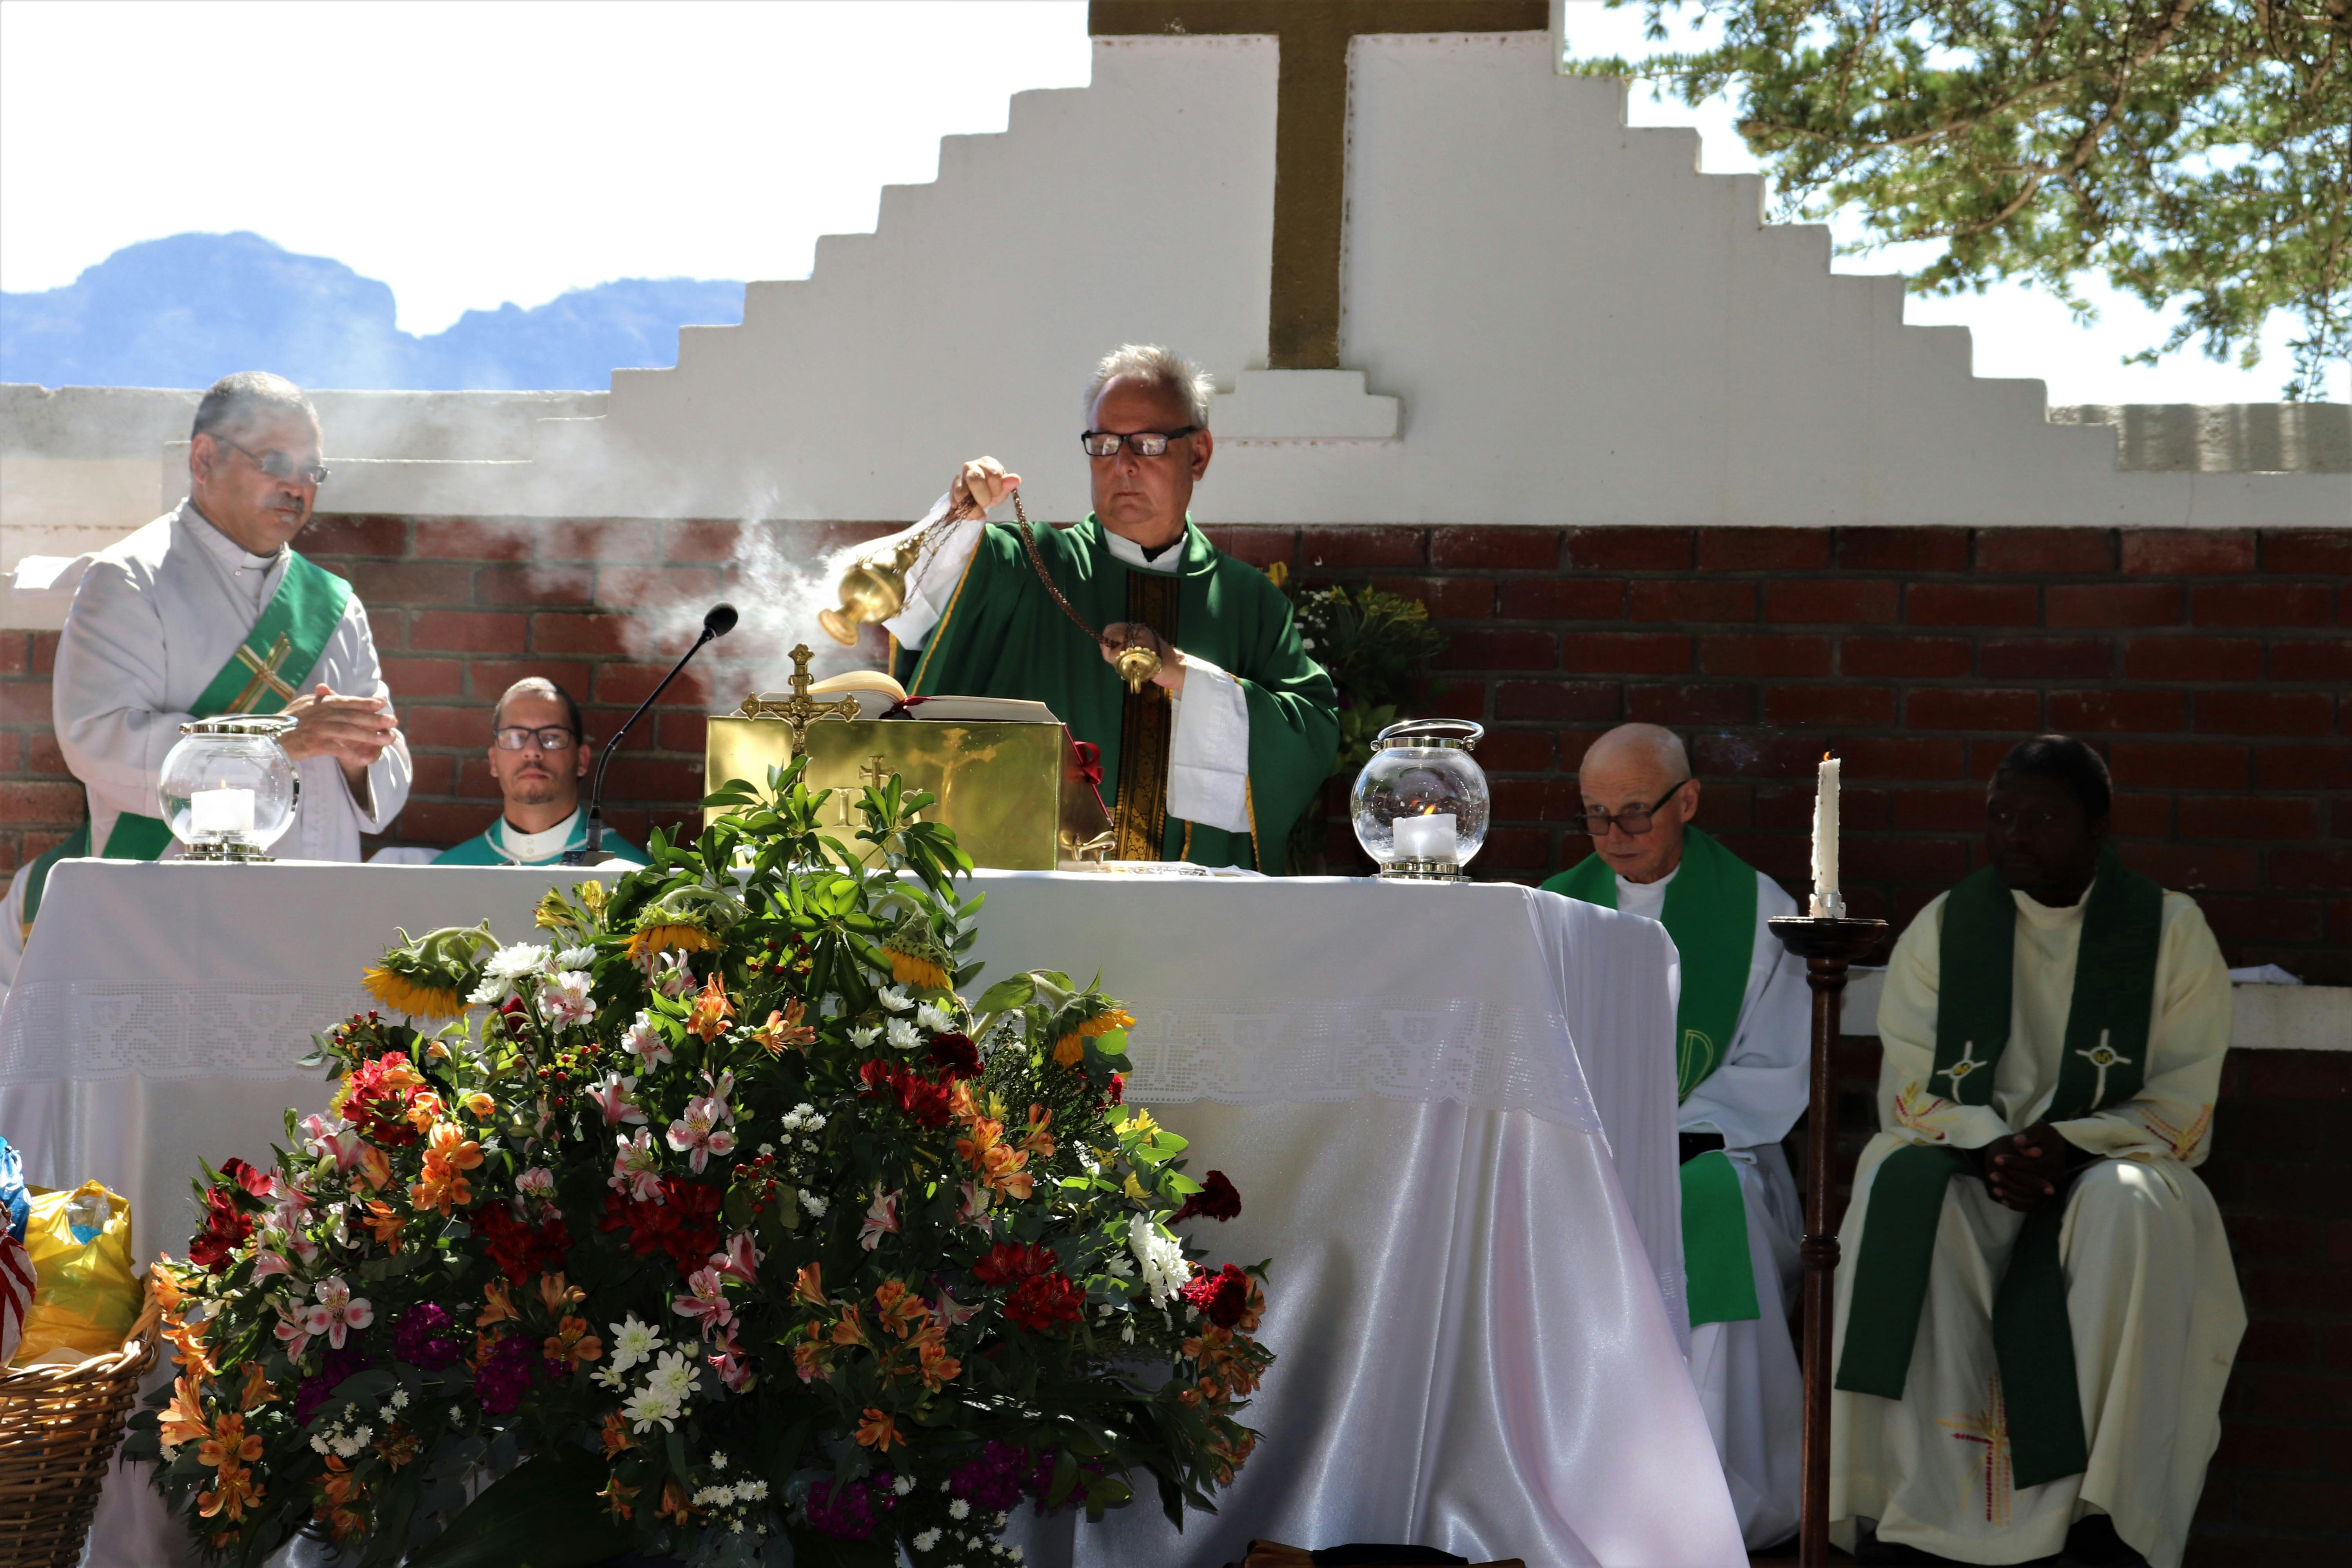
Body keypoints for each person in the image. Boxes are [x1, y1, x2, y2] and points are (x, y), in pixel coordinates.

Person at [1831, 736, 2241, 1568]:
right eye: (2001, 815)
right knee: (1896, 1181)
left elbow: (2182, 1101)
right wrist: (1992, 1147)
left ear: (2098, 830)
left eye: (2042, 818)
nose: (2014, 833)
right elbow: (1911, 1087)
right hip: (1976, 1166)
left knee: (2132, 1206)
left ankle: (2098, 1514)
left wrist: (2066, 1143)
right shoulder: (1948, 925)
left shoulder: (2169, 930)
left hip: (2105, 1166)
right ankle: (1923, 1502)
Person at [2, 373, 410, 971]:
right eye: (276, 461)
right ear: (204, 458)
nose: (297, 485)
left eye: (312, 471)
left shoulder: (335, 604)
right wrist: (277, 740)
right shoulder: (131, 580)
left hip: (313, 913)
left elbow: (389, 777)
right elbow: (99, 742)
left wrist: (359, 755)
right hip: (170, 921)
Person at [876, 343, 1337, 869]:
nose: (1122, 466)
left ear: (1200, 454)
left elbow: (1308, 737)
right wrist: (958, 516)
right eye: (1104, 443)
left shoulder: (1248, 603)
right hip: (1039, 894)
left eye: (1147, 443)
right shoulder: (1026, 566)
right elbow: (916, 601)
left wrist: (1180, 672)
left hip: (1194, 911)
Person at [1539, 722, 1808, 1550]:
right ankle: (1574, 1491)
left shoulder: (1759, 909)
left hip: (1721, 1154)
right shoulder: (1552, 907)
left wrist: (1664, 1135)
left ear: (1686, 801)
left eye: (1634, 813)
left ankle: (1716, 1497)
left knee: (1705, 1201)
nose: (1614, 836)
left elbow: (1774, 1067)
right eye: (1595, 816)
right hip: (1588, 1158)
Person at [434, 678, 644, 866]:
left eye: (552, 737)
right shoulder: (445, 874)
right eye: (515, 737)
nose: (532, 751)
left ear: (582, 760)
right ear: (494, 761)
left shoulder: (636, 876)